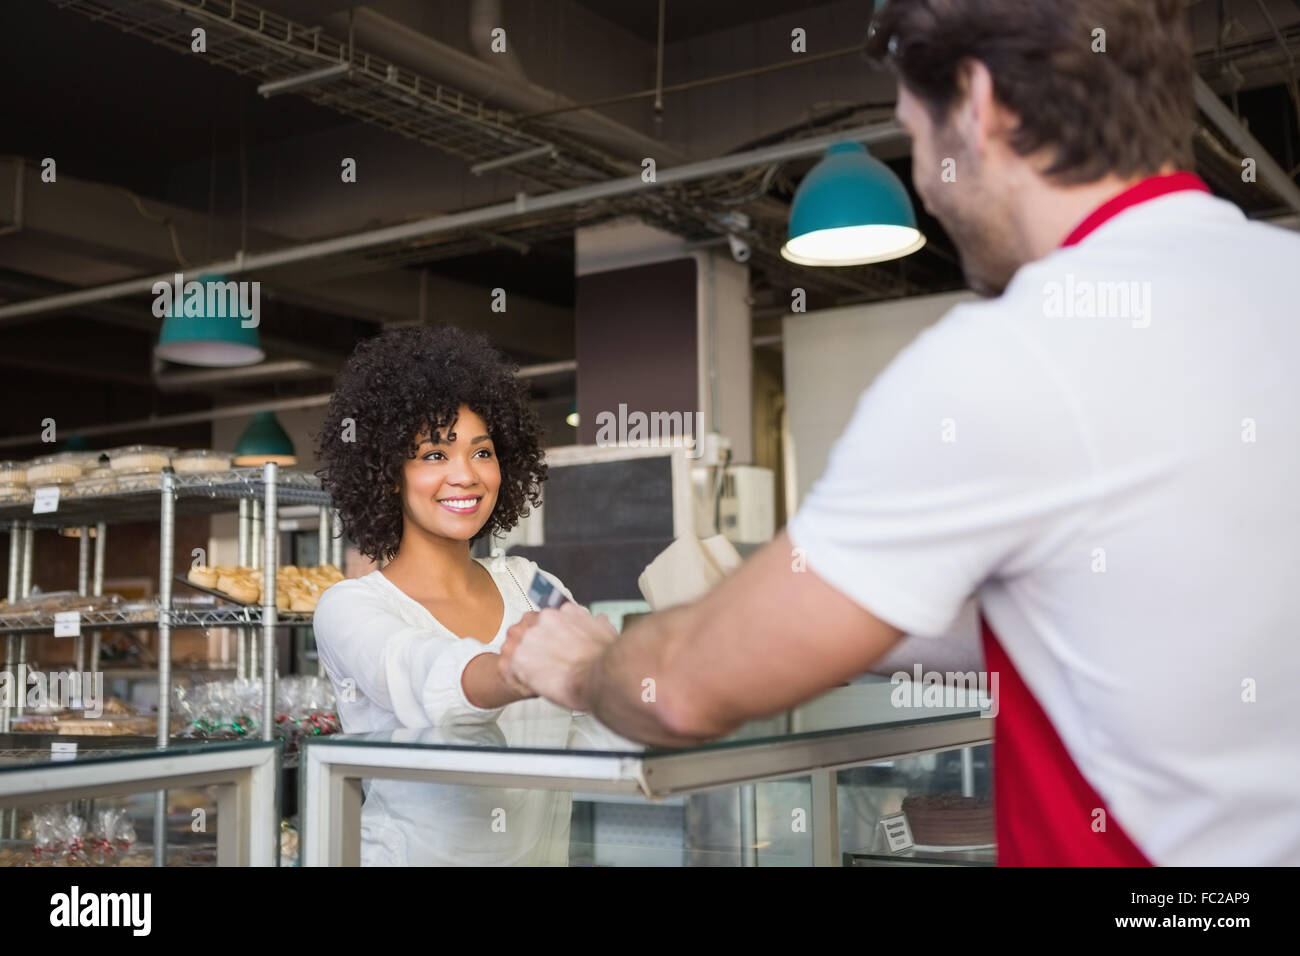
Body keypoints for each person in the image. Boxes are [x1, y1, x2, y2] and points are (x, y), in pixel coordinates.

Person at [499, 0, 1300, 866]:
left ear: (980, 101)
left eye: (915, 136)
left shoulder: (1009, 357)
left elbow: (683, 692)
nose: (924, 181)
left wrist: (585, 666)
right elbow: (1142, 602)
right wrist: (846, 619)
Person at [313, 325, 576, 866]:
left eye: (482, 451)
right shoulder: (352, 608)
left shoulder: (530, 585)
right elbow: (425, 673)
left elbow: (601, 711)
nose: (466, 475)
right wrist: (523, 668)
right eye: (435, 454)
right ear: (389, 474)